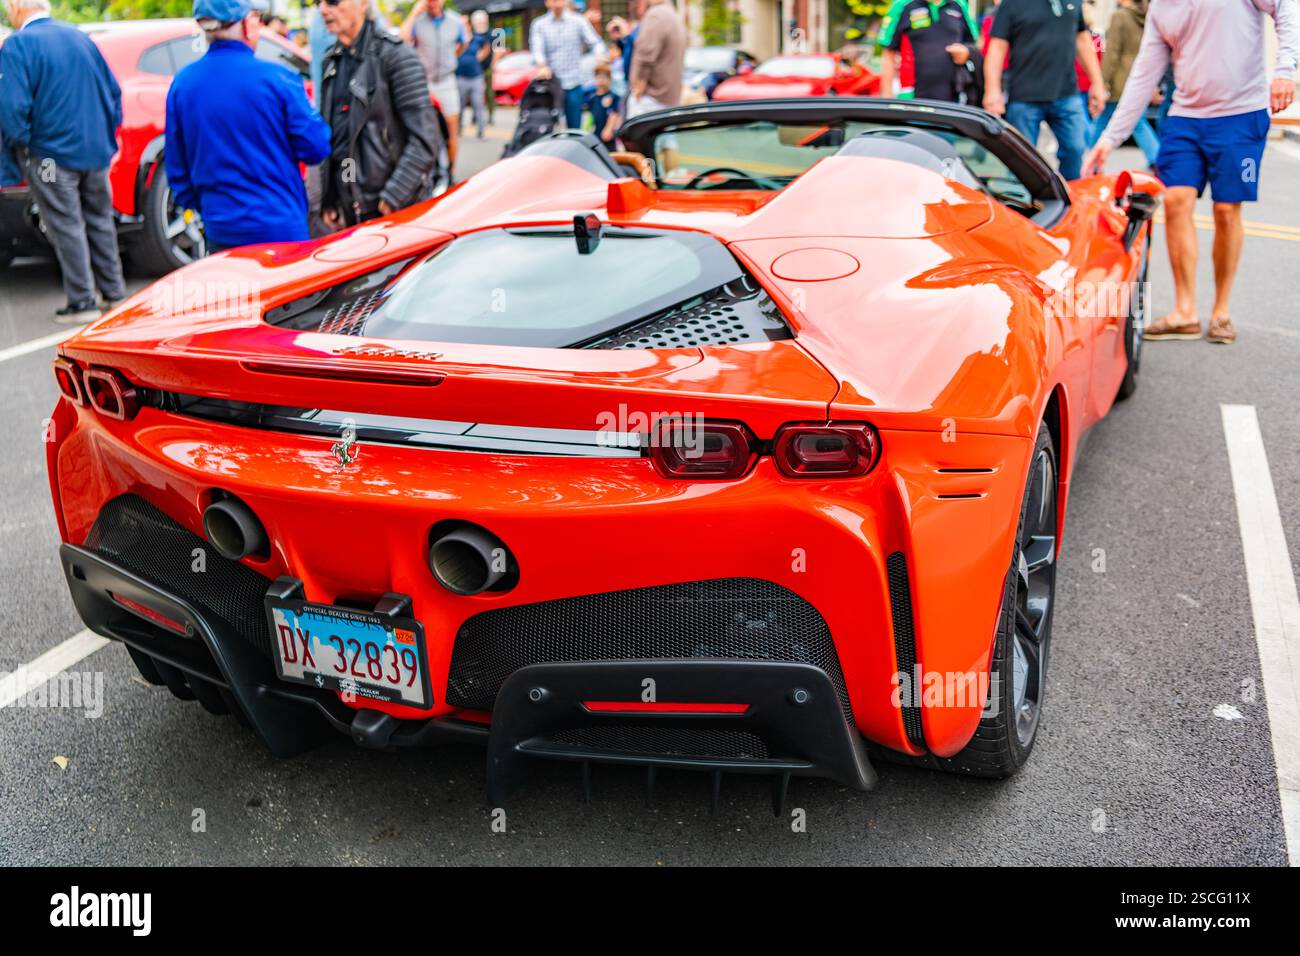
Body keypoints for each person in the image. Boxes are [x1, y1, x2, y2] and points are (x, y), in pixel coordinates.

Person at [1084, 0, 1298, 346]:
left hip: (1241, 114)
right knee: (1176, 200)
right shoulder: (1161, 9)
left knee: (1226, 210)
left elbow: (1286, 9)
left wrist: (1286, 68)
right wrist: (1110, 138)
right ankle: (1185, 311)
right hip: (1185, 117)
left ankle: (1221, 310)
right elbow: (1144, 74)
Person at [166, 0, 331, 254]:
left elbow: (177, 173)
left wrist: (212, 210)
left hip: (220, 234)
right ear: (247, 24)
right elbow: (316, 147)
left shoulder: (183, 86)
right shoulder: (278, 79)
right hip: (283, 234)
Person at [0, 0, 126, 323]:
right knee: (100, 221)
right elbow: (113, 92)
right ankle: (114, 294)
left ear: (16, 7)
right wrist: (105, 136)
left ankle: (82, 300)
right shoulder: (80, 37)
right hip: (95, 151)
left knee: (66, 225)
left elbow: (12, 107)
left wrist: (25, 145)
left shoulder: (19, 44)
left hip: (51, 155)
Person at [319, 0, 441, 229]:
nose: (323, 9)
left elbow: (425, 139)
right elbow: (339, 139)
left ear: (363, 3)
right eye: (320, 2)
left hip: (393, 213)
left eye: (333, 1)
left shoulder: (397, 56)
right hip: (353, 210)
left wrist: (393, 197)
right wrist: (333, 198)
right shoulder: (331, 60)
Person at [983, 0, 1106, 181]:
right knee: (1021, 159)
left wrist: (1097, 83)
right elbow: (997, 47)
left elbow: (1082, 39)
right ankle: (1024, 205)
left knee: (1075, 148)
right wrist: (992, 90)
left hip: (1067, 94)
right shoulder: (1011, 4)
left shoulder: (1073, 2)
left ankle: (1070, 196)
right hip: (1024, 97)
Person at [1088, 0, 1159, 168]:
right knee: (1136, 121)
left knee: (1105, 120)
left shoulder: (1119, 17)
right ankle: (1155, 158)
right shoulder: (1146, 16)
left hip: (1119, 80)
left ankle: (1091, 159)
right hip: (1139, 76)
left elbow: (1112, 53)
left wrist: (1102, 82)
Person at [878, 0, 981, 104]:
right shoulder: (902, 5)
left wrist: (966, 52)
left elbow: (975, 45)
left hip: (954, 98)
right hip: (911, 97)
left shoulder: (959, 4)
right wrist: (886, 94)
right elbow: (888, 53)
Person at [402, 0, 465, 169]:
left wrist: (451, 59)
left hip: (446, 81)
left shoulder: (456, 21)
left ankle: (450, 171)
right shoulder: (418, 21)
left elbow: (463, 43)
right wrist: (414, 13)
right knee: (424, 130)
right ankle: (428, 172)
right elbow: (401, 40)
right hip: (424, 82)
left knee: (452, 130)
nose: (432, 3)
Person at [529, 0, 605, 129]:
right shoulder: (539, 24)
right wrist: (542, 65)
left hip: (573, 82)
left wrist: (599, 53)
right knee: (548, 126)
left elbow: (596, 42)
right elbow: (537, 49)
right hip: (550, 84)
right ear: (547, 2)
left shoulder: (578, 21)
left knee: (574, 127)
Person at [625, 0, 685, 119]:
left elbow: (645, 55)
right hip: (667, 98)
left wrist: (638, 87)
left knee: (637, 136)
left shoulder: (656, 15)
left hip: (651, 99)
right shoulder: (671, 13)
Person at [456, 10, 491, 140]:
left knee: (479, 105)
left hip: (476, 76)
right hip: (460, 77)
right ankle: (458, 131)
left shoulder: (478, 38)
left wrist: (481, 56)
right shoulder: (457, 39)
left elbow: (487, 47)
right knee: (460, 106)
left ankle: (481, 132)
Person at [585, 61, 621, 148]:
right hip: (595, 133)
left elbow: (614, 114)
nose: (601, 80)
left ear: (609, 79)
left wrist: (609, 129)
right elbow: (588, 114)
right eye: (598, 77)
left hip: (607, 134)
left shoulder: (612, 96)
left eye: (604, 77)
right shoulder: (591, 97)